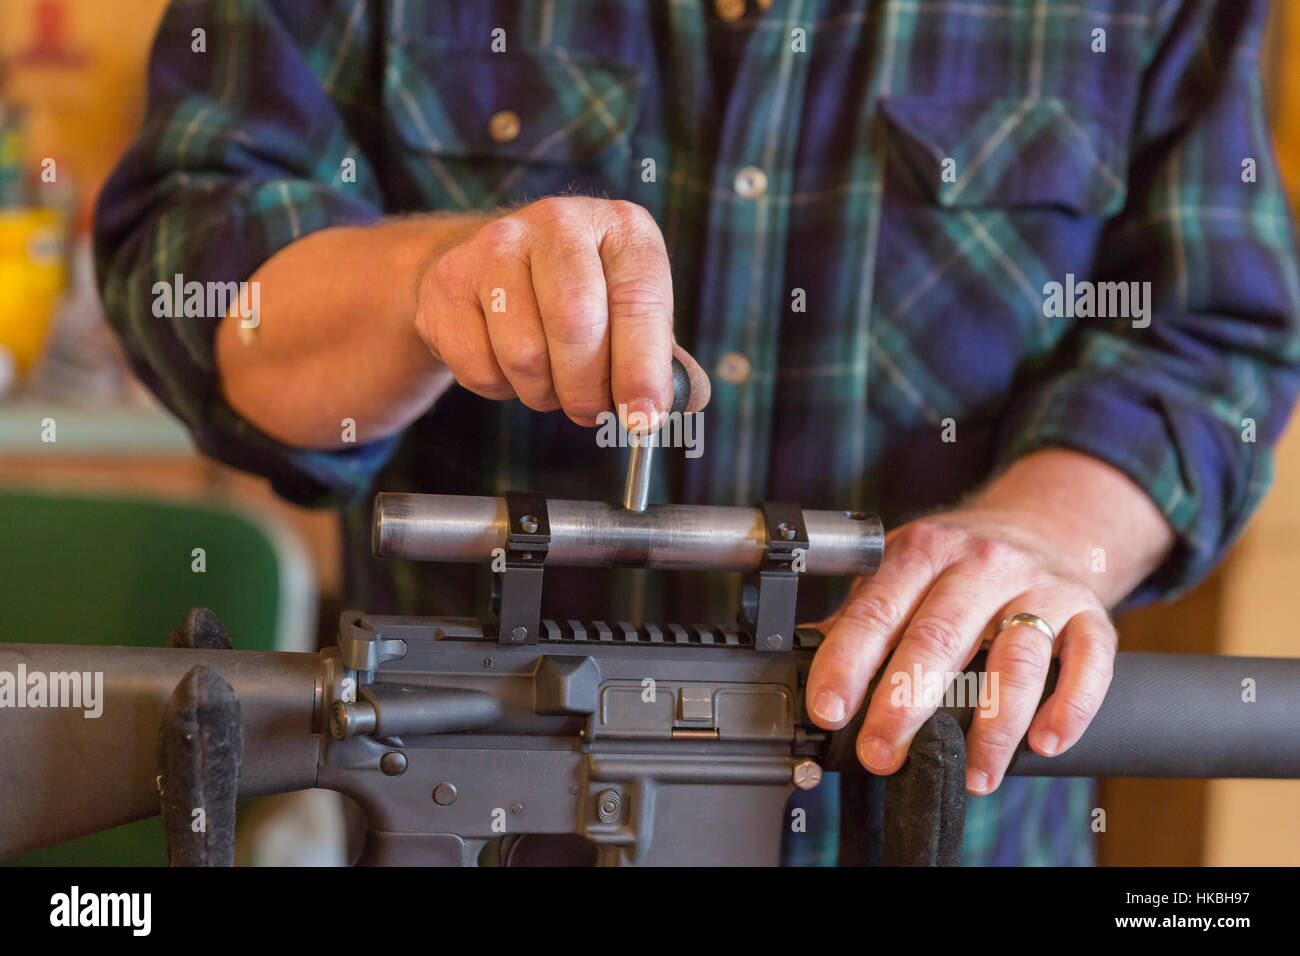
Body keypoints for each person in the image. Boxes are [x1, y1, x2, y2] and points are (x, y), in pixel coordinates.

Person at [95, 0, 1300, 866]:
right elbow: (193, 260)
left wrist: (1037, 536)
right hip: (452, 794)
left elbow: (1214, 338)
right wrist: (429, 280)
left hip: (945, 820)